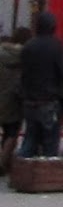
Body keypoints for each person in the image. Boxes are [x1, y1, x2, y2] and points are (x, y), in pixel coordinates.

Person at [18, 11, 63, 159]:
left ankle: (22, 170)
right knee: (50, 142)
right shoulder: (55, 45)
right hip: (49, 100)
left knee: (30, 138)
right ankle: (46, 173)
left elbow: (23, 74)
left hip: (29, 100)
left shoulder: (28, 46)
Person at [0, 28, 29, 174]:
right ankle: (3, 161)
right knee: (11, 132)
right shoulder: (25, 56)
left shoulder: (1, 52)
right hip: (14, 99)